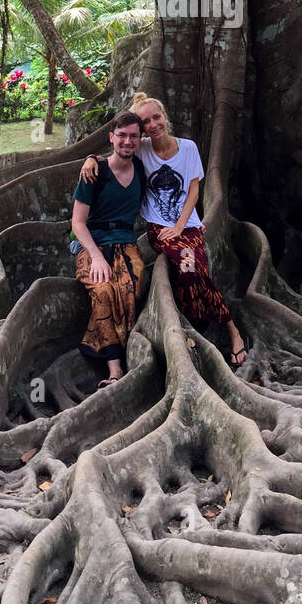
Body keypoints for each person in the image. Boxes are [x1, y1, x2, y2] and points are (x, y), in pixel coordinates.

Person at [78, 93, 248, 369]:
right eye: (146, 121)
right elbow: (117, 148)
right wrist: (89, 158)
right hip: (158, 229)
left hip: (188, 226)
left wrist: (181, 226)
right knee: (189, 267)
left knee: (195, 270)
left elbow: (194, 190)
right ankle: (200, 324)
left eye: (156, 117)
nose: (153, 124)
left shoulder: (189, 148)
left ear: (165, 117)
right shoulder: (141, 148)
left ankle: (225, 327)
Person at [71, 111, 148, 388]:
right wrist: (95, 257)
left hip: (126, 242)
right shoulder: (94, 172)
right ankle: (115, 369)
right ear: (111, 137)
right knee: (103, 289)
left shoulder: (141, 168)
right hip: (92, 242)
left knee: (131, 287)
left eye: (133, 136)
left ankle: (114, 346)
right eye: (122, 136)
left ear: (140, 140)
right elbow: (77, 223)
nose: (127, 142)